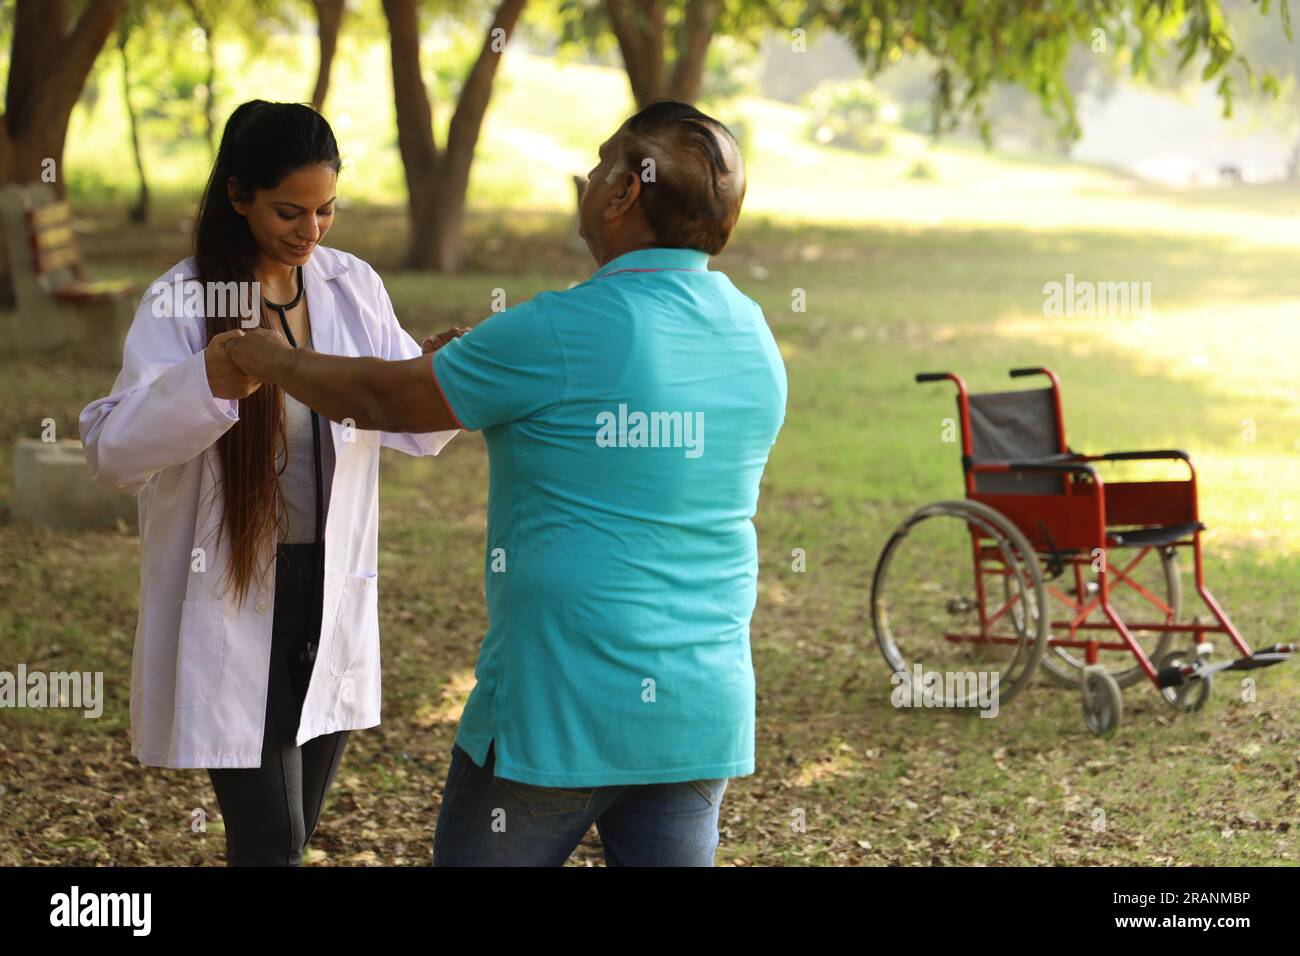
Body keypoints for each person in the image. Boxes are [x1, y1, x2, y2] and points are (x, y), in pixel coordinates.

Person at [223, 99, 787, 866]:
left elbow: (386, 399)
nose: (587, 175)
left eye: (600, 161)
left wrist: (269, 357)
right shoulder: (753, 332)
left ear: (624, 194)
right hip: (697, 714)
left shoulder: (560, 327)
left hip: (557, 714)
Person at [78, 100, 458, 866]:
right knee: (273, 841)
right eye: (290, 211)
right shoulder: (183, 300)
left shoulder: (350, 286)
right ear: (238, 193)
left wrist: (443, 373)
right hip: (235, 593)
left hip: (330, 592)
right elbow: (113, 453)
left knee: (289, 835)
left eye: (326, 211)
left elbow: (406, 424)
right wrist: (208, 381)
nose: (310, 233)